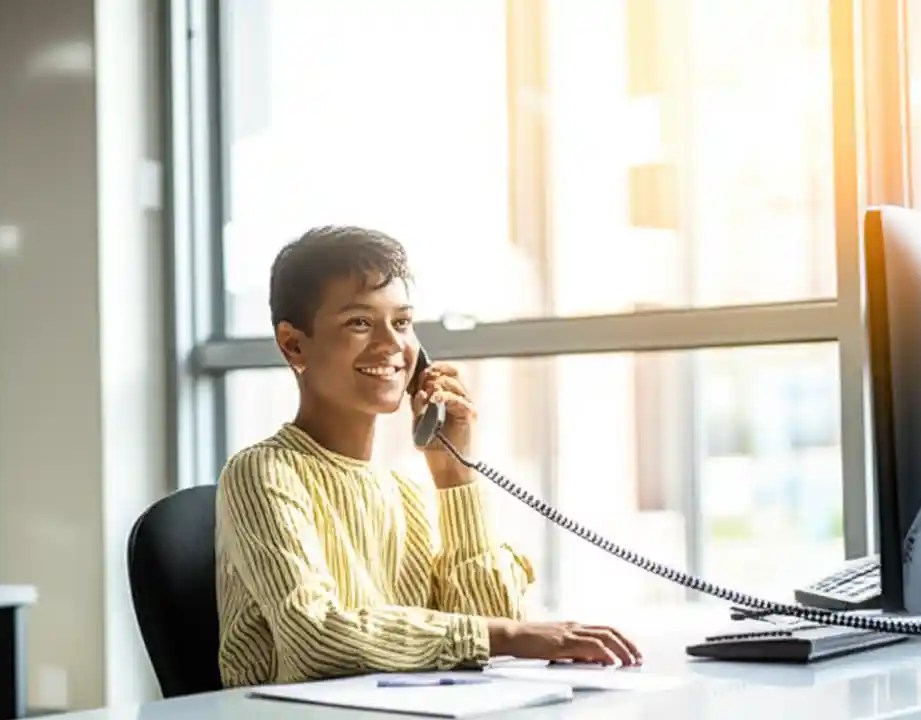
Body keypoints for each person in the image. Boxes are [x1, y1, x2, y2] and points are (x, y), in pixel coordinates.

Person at [215, 226, 641, 687]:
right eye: (359, 323)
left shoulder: (405, 493)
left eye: (401, 322)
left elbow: (489, 626)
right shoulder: (263, 473)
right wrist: (512, 635)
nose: (392, 345)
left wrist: (454, 476)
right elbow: (316, 637)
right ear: (293, 344)